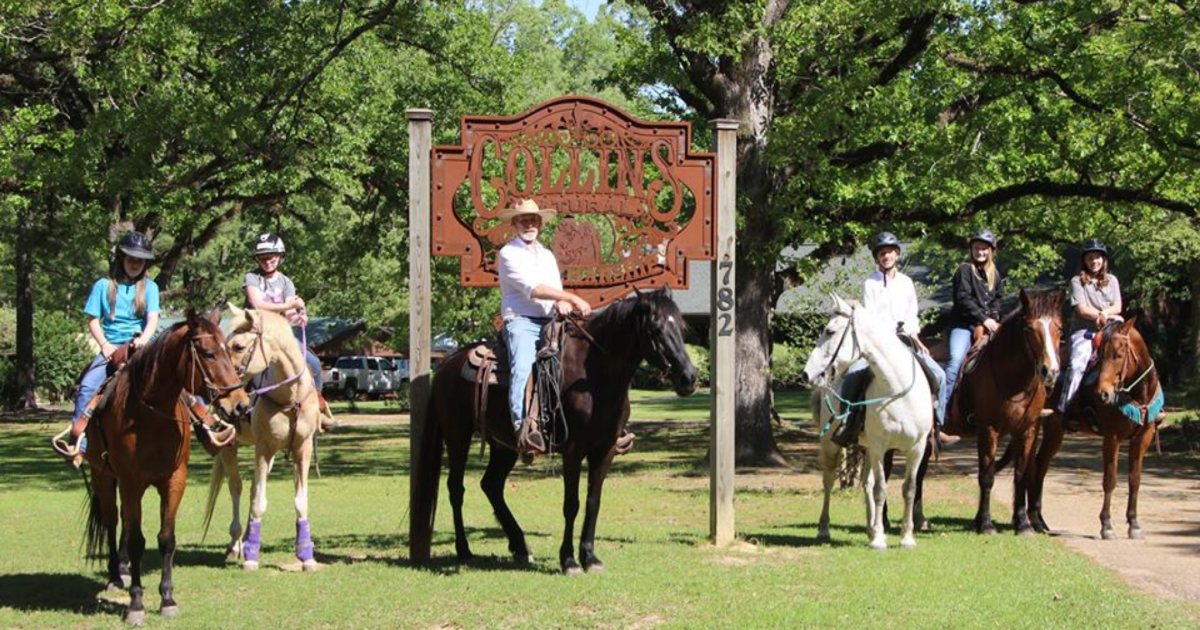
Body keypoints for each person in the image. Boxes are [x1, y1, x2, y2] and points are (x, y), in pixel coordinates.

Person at [829, 232, 946, 447]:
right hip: (879, 343)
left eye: (889, 252)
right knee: (854, 375)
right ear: (877, 258)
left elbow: (912, 314)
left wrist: (916, 338)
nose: (886, 256)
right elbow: (870, 317)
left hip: (905, 340)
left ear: (897, 254)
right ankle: (848, 423)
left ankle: (938, 426)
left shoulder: (907, 283)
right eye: (882, 253)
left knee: (938, 375)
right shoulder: (870, 284)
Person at [497, 199, 592, 455]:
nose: (529, 223)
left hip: (551, 321)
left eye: (533, 219)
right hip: (522, 321)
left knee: (581, 362)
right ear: (514, 223)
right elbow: (534, 289)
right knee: (523, 366)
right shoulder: (508, 253)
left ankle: (590, 424)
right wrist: (572, 297)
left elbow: (553, 288)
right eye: (523, 219)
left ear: (540, 223)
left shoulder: (548, 256)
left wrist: (562, 299)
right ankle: (524, 429)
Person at [69, 231, 161, 464]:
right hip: (110, 347)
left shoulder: (150, 288)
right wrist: (105, 345)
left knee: (180, 384)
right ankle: (80, 445)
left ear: (145, 263)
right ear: (121, 258)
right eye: (131, 258)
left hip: (142, 346)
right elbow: (92, 319)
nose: (134, 264)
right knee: (87, 387)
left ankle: (206, 429)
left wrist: (144, 339)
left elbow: (152, 319)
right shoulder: (103, 285)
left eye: (139, 260)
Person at [940, 229, 1004, 430]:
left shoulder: (995, 275)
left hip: (987, 325)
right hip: (963, 325)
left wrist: (993, 317)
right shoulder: (964, 270)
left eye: (984, 248)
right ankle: (941, 415)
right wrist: (984, 319)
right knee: (955, 362)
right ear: (971, 249)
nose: (980, 252)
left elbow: (998, 300)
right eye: (977, 248)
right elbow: (963, 299)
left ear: (991, 251)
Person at [244, 233, 324, 392]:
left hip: (278, 333)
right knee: (229, 362)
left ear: (280, 257)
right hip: (253, 331)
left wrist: (299, 317)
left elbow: (290, 314)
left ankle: (318, 401)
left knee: (313, 363)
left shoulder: (286, 282)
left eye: (271, 258)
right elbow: (257, 305)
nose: (267, 262)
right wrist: (288, 304)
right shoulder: (251, 277)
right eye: (262, 259)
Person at [1057, 238, 1122, 425]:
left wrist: (1106, 314)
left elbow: (1118, 305)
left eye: (1098, 257)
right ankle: (1065, 408)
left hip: (1110, 329)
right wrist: (1102, 316)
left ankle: (1148, 403)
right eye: (1091, 258)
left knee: (1130, 352)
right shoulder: (1077, 281)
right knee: (1077, 365)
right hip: (1084, 331)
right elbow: (1081, 310)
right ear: (1084, 261)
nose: (1095, 261)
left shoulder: (1112, 280)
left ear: (1104, 260)